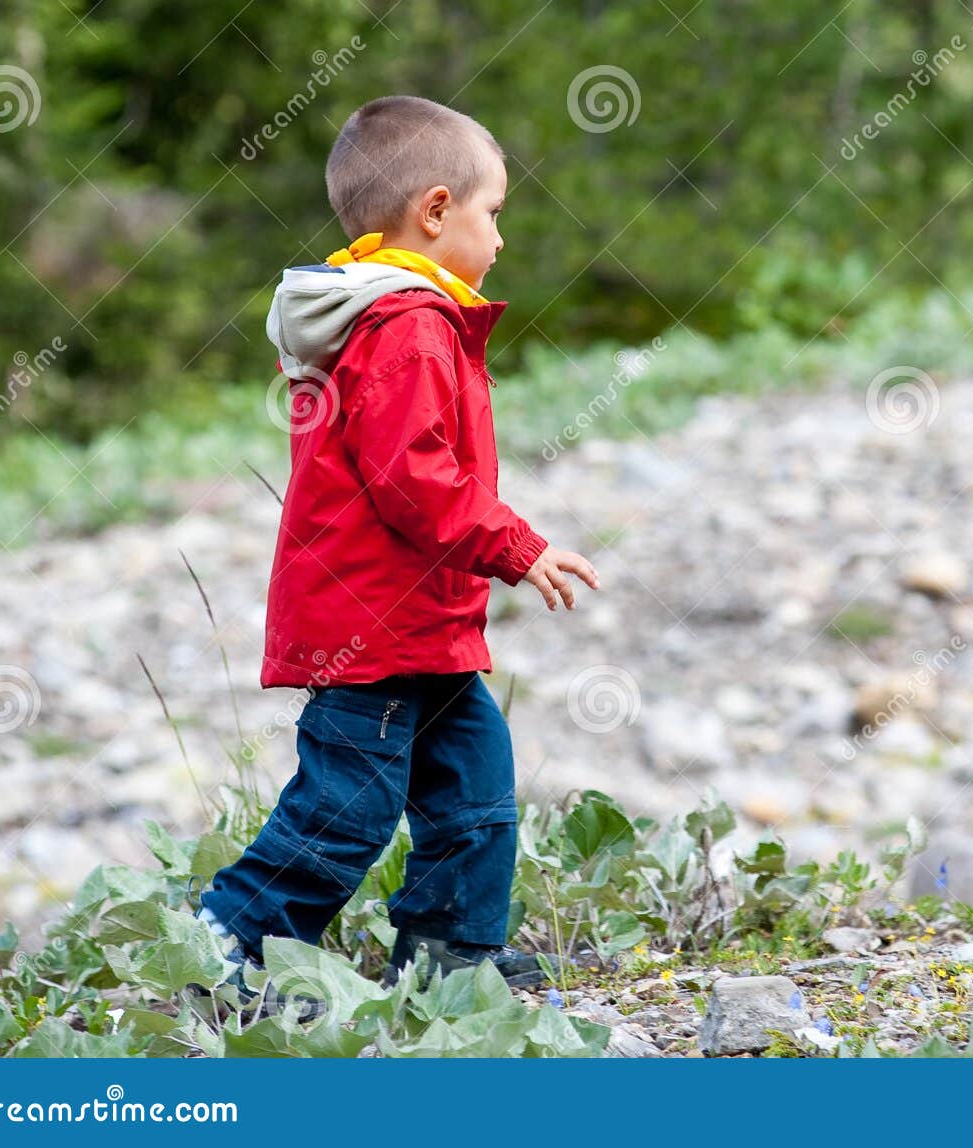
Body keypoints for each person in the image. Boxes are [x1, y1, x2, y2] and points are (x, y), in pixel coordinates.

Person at [196, 95, 599, 998]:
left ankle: (450, 953)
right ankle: (222, 942)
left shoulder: (407, 320)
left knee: (475, 785)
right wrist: (518, 546)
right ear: (436, 211)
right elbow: (412, 479)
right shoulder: (408, 328)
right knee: (347, 808)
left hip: (421, 625)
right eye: (493, 214)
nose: (500, 239)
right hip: (372, 630)